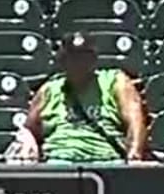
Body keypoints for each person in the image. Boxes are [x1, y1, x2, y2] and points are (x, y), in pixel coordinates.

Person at [21, 32, 150, 164]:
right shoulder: (49, 90)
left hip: (106, 161)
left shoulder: (114, 82)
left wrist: (134, 157)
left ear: (94, 59)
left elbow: (135, 122)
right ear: (63, 61)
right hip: (59, 162)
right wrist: (27, 146)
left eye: (84, 58)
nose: (79, 64)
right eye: (73, 58)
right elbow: (29, 129)